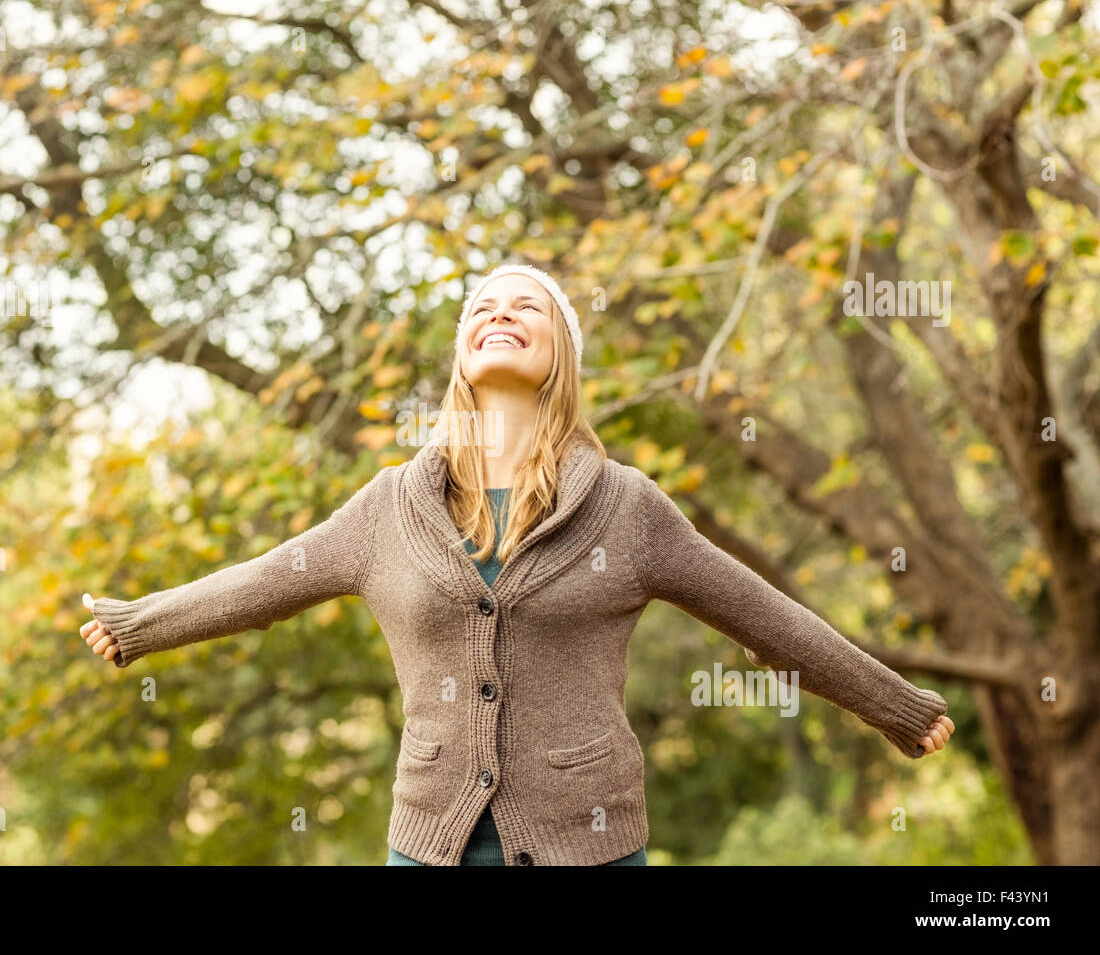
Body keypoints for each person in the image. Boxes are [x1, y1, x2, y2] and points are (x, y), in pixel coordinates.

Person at [79, 262, 955, 866]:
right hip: (430, 842)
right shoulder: (390, 508)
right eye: (481, 310)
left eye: (525, 307)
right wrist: (138, 625)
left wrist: (898, 709)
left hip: (591, 842)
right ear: (462, 354)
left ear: (560, 353)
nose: (499, 315)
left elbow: (768, 620)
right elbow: (267, 581)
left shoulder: (627, 505)